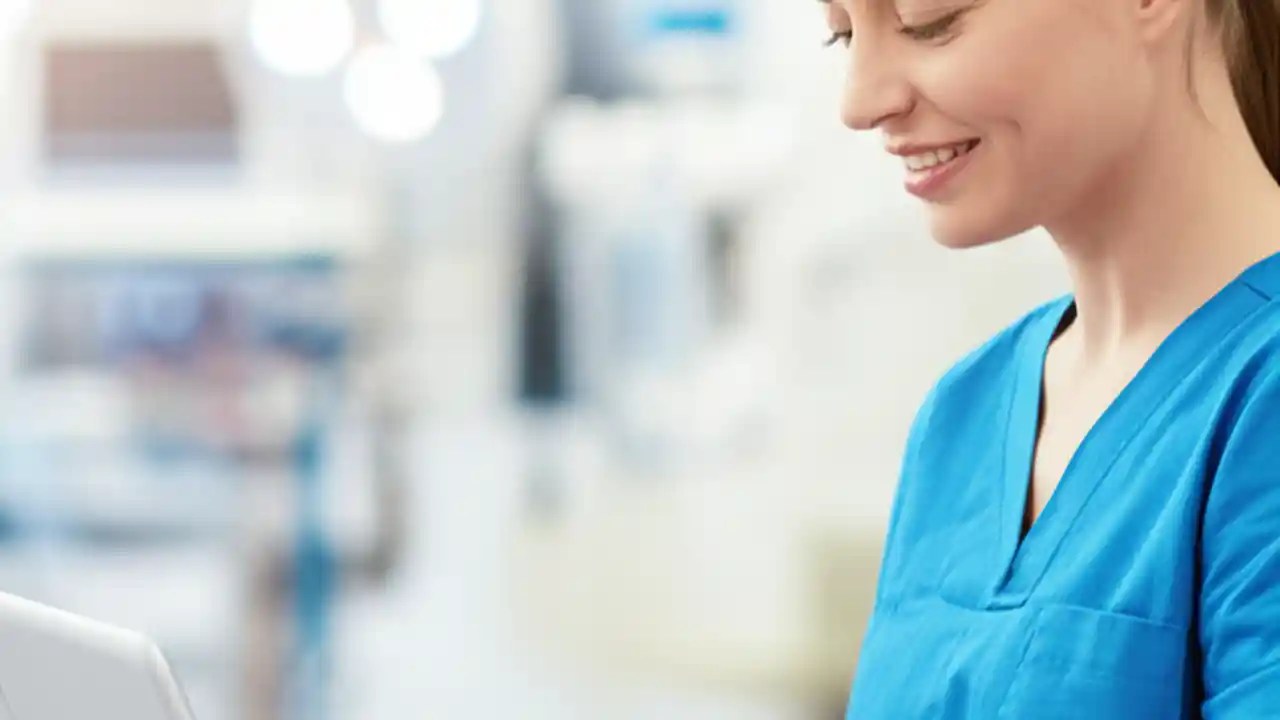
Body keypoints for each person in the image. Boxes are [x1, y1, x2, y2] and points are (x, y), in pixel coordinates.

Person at [820, 0, 1280, 717]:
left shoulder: (1258, 397)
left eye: (928, 21)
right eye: (842, 34)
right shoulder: (965, 410)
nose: (860, 100)